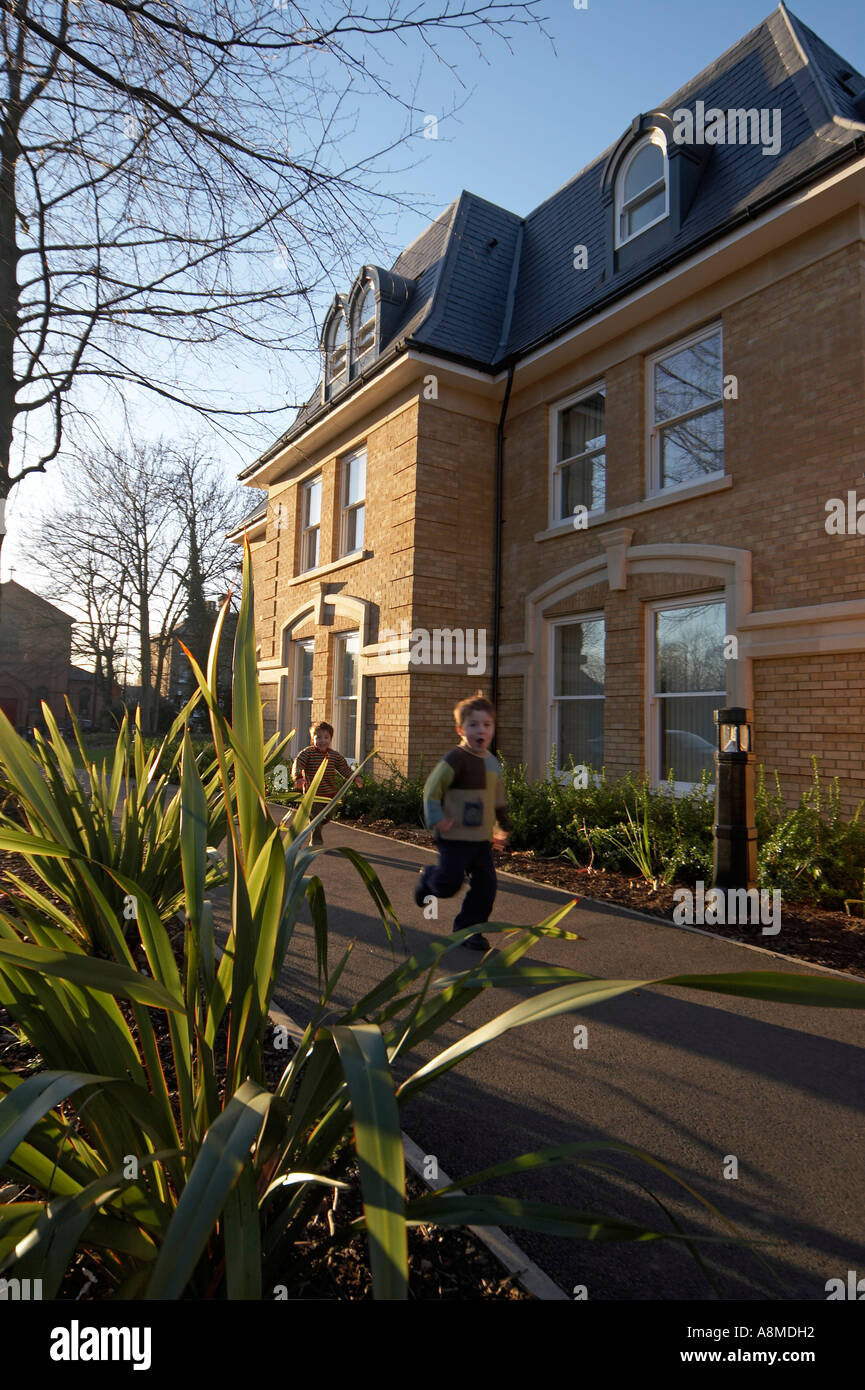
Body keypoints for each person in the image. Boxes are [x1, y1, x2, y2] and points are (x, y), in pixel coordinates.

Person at [414, 694, 509, 951]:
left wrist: (502, 825)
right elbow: (432, 790)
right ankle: (429, 879)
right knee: (447, 885)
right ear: (461, 729)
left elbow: (498, 797)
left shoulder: (491, 763)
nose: (481, 730)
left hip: (481, 840)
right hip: (453, 835)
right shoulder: (454, 759)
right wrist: (437, 818)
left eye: (487, 724)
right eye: (474, 725)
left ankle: (469, 930)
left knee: (486, 886)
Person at [291, 721, 363, 845]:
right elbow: (298, 764)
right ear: (313, 738)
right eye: (318, 737)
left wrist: (355, 778)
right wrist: (297, 777)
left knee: (328, 817)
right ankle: (316, 842)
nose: (322, 741)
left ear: (330, 739)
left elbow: (344, 769)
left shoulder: (334, 756)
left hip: (330, 794)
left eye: (326, 737)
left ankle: (313, 825)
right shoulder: (307, 753)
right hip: (313, 795)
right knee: (316, 818)